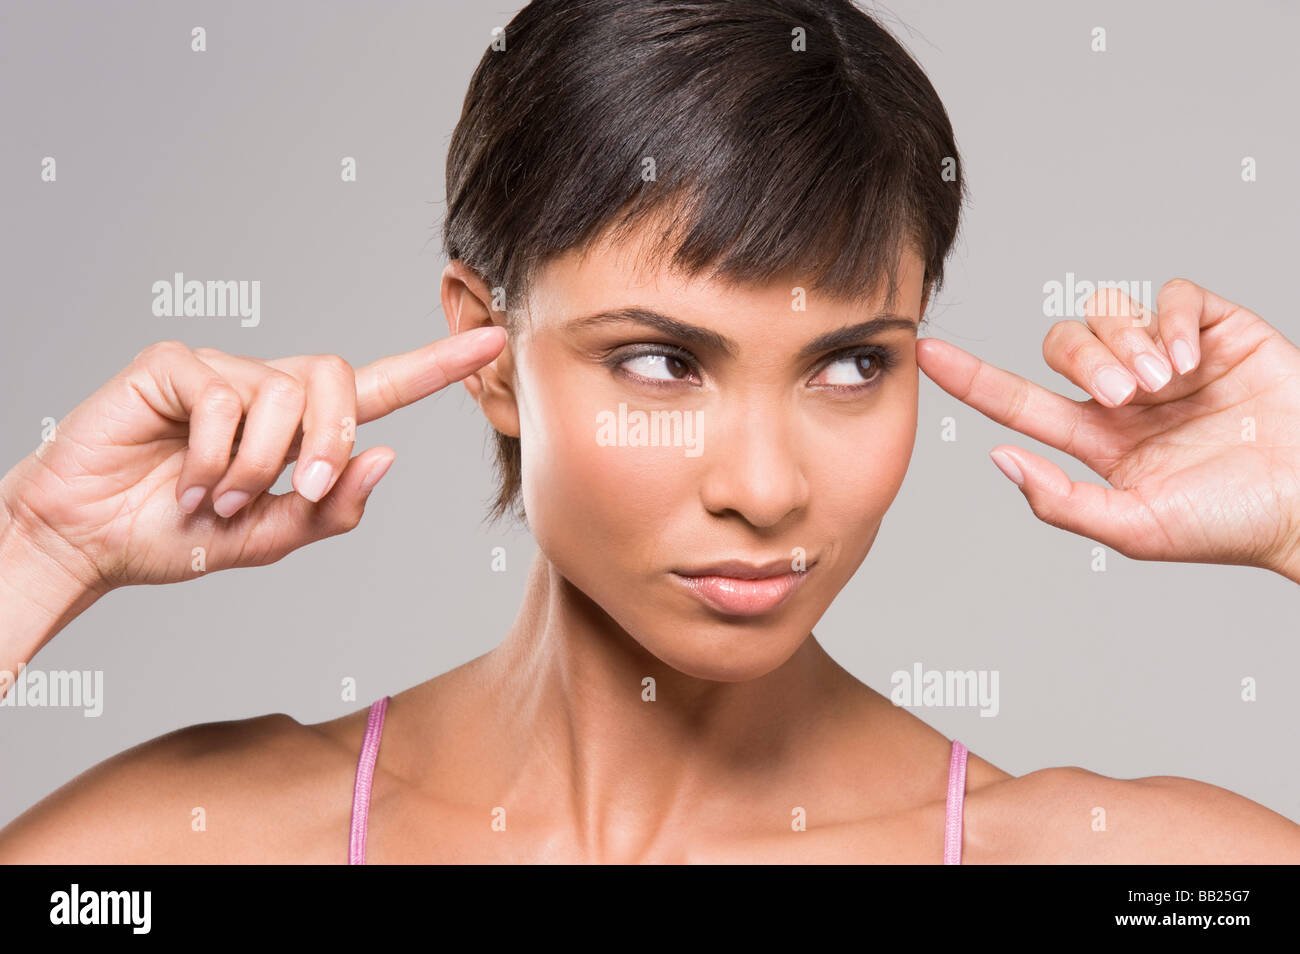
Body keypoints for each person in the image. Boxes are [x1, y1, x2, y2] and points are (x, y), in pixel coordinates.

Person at [2, 0, 1298, 863]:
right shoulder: (199, 844)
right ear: (491, 350)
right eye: (662, 360)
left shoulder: (1104, 864)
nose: (764, 484)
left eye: (851, 362)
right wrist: (36, 552)